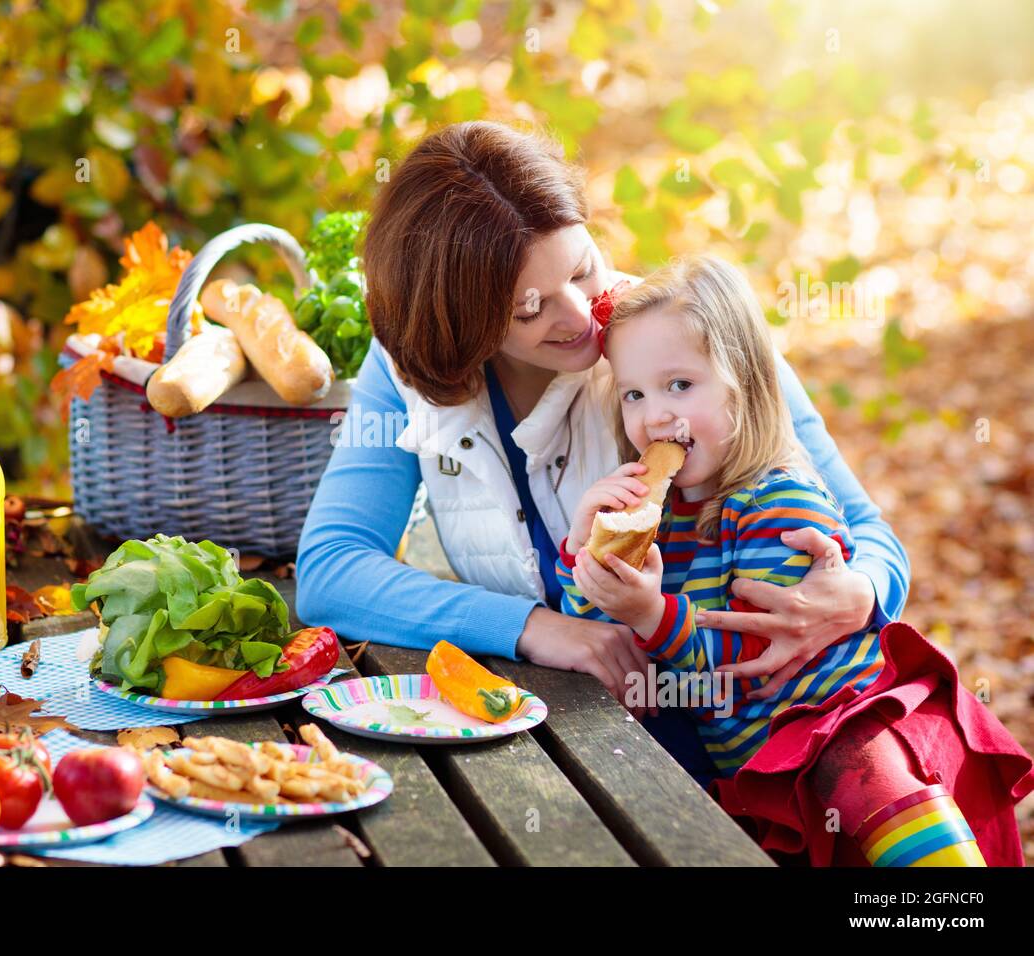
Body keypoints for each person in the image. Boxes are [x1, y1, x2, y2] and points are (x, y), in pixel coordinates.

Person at [295, 121, 910, 787]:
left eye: (584, 269)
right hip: (549, 732)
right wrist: (537, 628)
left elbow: (875, 538)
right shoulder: (410, 372)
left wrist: (860, 592)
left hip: (734, 741)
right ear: (462, 322)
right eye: (531, 309)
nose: (581, 314)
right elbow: (332, 571)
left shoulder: (681, 340)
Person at [556, 254, 1033, 865]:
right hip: (762, 764)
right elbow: (598, 628)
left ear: (746, 383)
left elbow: (756, 651)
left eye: (681, 385)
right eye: (634, 393)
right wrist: (586, 548)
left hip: (835, 726)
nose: (654, 415)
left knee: (888, 809)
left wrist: (651, 614)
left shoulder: (776, 496)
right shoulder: (663, 512)